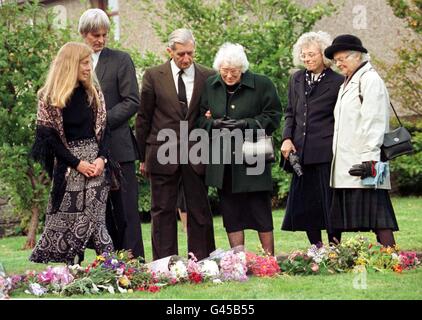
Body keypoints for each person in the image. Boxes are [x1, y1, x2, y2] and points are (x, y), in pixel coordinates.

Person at [135, 28, 216, 261]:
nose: (186, 59)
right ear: (169, 51)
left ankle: (201, 261)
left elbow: (211, 113)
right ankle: (164, 262)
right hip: (161, 151)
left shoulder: (208, 75)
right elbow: (144, 117)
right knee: (162, 211)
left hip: (196, 151)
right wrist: (143, 156)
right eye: (180, 54)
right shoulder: (153, 75)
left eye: (190, 53)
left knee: (199, 209)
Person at [29, 42, 113, 264]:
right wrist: (77, 163)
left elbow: (105, 131)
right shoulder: (48, 98)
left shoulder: (93, 93)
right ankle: (73, 265)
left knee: (95, 215)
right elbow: (48, 139)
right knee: (69, 215)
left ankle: (112, 264)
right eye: (85, 62)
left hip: (96, 163)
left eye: (89, 62)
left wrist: (101, 159)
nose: (89, 67)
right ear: (71, 64)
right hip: (68, 166)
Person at [197, 43, 281, 255]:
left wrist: (247, 124)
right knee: (231, 212)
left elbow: (274, 116)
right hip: (223, 159)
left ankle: (268, 259)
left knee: (260, 210)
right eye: (224, 71)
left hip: (254, 155)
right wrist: (213, 124)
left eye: (233, 72)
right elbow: (198, 118)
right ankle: (238, 260)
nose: (229, 76)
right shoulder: (211, 85)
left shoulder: (262, 84)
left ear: (242, 69)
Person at [79, 9, 144, 259]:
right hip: (85, 151)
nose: (101, 40)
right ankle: (105, 264)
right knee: (98, 211)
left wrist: (100, 122)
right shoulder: (73, 62)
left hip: (119, 147)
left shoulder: (121, 60)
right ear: (84, 34)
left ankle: (134, 263)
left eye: (105, 35)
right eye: (96, 35)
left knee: (126, 210)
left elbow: (131, 101)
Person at [324, 34, 399, 247]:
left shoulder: (370, 79)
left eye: (342, 59)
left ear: (357, 56)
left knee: (378, 214)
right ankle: (334, 256)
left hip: (364, 161)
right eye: (336, 60)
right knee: (337, 217)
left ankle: (392, 256)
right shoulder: (349, 81)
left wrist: (370, 161)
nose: (338, 64)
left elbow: (375, 122)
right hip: (346, 163)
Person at [280, 31, 344, 247]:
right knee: (308, 205)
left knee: (329, 204)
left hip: (326, 152)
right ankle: (317, 249)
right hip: (301, 152)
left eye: (311, 54)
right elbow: (290, 112)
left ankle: (335, 249)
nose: (306, 59)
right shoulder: (296, 78)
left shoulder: (338, 81)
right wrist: (287, 138)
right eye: (303, 54)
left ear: (323, 55)